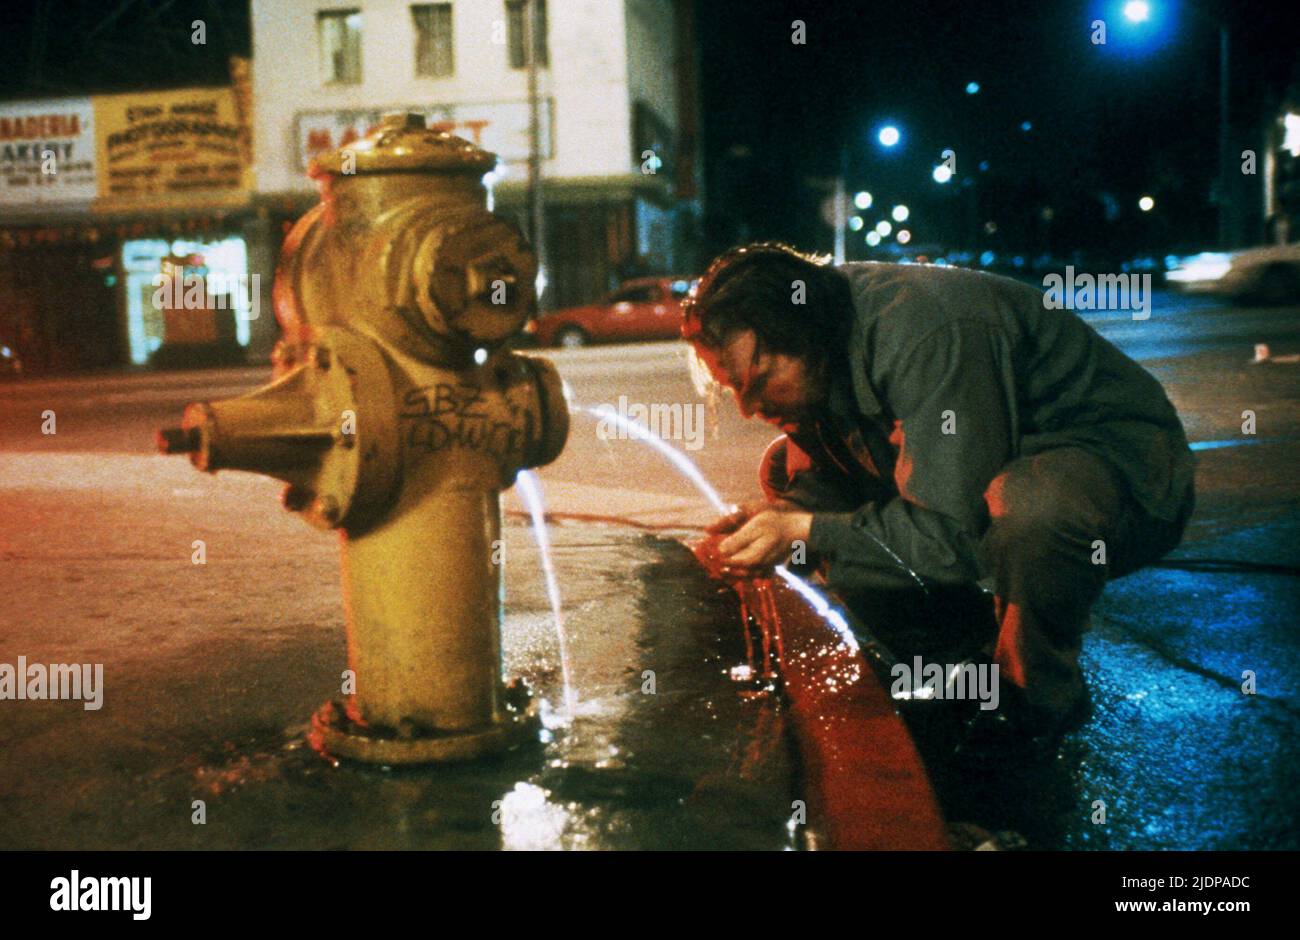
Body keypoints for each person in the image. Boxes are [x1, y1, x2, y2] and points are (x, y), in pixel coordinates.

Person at [682, 243, 1195, 757]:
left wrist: (807, 531)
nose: (747, 408)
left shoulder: (924, 332)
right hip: (993, 457)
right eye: (733, 389)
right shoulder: (818, 322)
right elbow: (825, 484)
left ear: (806, 336)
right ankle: (952, 650)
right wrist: (785, 517)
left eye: (761, 379)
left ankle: (1033, 699)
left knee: (1031, 510)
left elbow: (953, 536)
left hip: (1119, 468)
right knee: (783, 472)